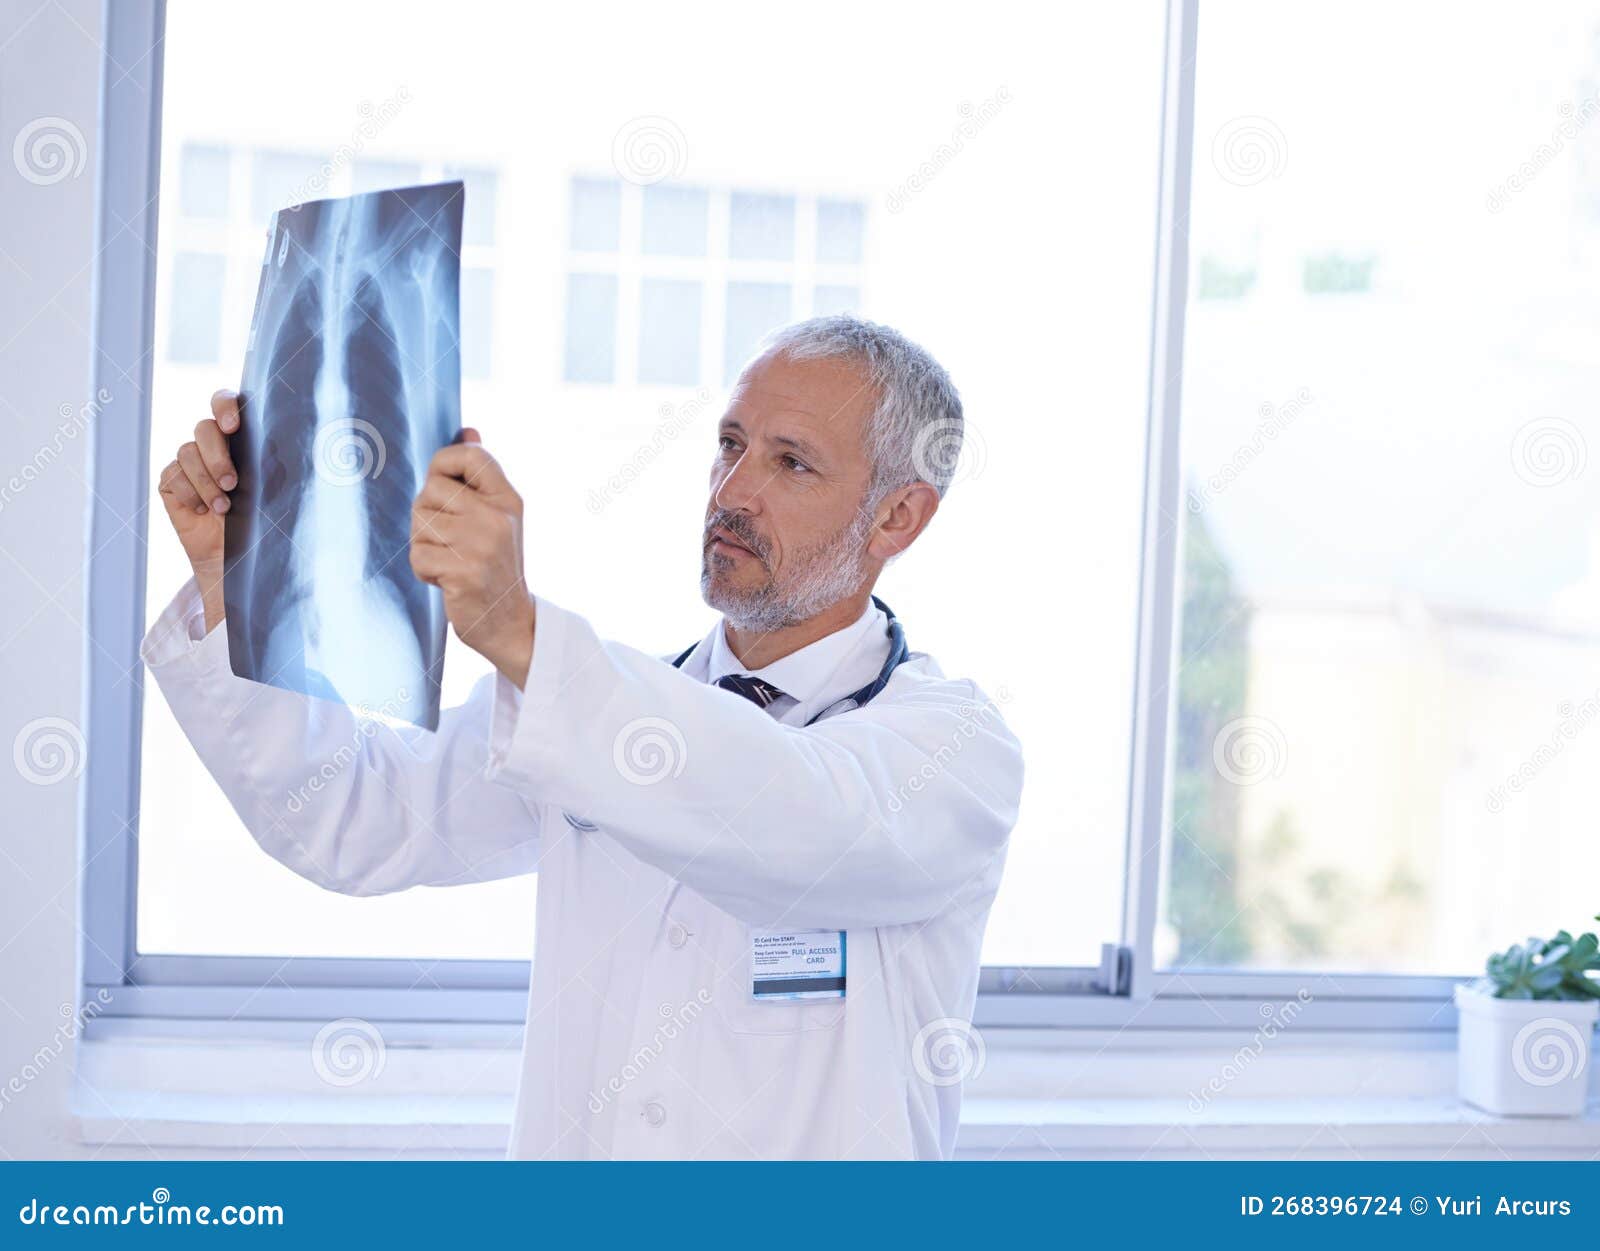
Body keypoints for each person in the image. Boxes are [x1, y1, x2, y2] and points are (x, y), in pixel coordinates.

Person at [144, 314, 1024, 1160]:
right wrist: (234, 583)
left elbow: (804, 827)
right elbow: (352, 816)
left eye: (791, 462)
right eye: (729, 443)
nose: (731, 493)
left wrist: (520, 629)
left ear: (897, 517)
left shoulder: (953, 749)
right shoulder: (592, 703)